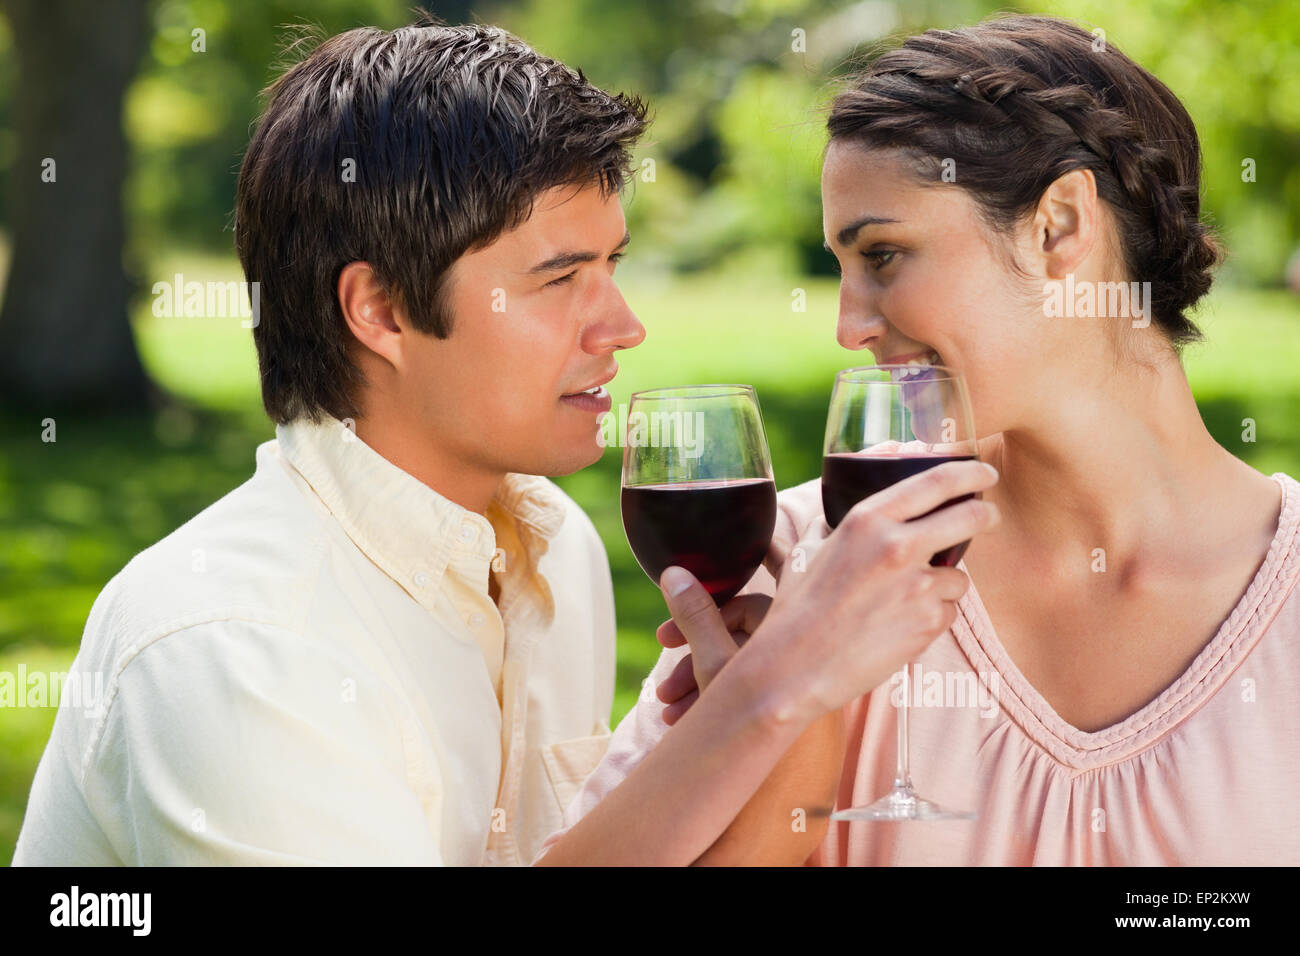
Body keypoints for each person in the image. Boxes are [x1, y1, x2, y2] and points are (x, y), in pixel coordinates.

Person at [12, 20, 999, 866]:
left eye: (611, 265)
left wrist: (737, 722)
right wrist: (782, 683)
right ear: (383, 310)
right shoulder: (234, 644)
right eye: (560, 277)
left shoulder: (547, 548)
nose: (620, 325)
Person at [539, 13, 1300, 866]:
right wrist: (782, 701)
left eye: (885, 255)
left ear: (1060, 226)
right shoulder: (799, 575)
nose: (848, 326)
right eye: (840, 266)